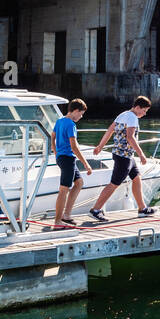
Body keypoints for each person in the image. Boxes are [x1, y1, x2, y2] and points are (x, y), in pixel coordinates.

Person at [86, 96, 156, 222]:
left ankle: (142, 208)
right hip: (124, 157)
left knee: (136, 178)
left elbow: (110, 130)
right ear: (138, 107)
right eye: (144, 110)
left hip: (123, 155)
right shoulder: (133, 118)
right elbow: (130, 137)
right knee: (114, 183)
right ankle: (95, 210)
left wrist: (100, 146)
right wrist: (141, 154)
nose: (144, 114)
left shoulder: (122, 115)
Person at [52, 98, 93, 228]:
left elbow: (52, 136)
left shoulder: (59, 121)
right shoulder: (71, 124)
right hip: (67, 159)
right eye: (80, 114)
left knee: (79, 182)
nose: (81, 117)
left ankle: (66, 215)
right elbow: (74, 147)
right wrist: (86, 163)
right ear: (75, 111)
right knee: (63, 190)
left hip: (62, 157)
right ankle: (57, 221)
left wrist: (55, 152)